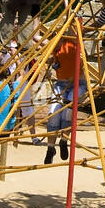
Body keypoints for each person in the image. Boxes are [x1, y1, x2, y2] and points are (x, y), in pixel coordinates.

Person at [44, 32, 79, 163]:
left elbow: (74, 30)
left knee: (68, 113)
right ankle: (50, 148)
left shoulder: (70, 43)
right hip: (61, 84)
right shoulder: (55, 50)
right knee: (53, 114)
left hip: (77, 83)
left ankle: (64, 141)